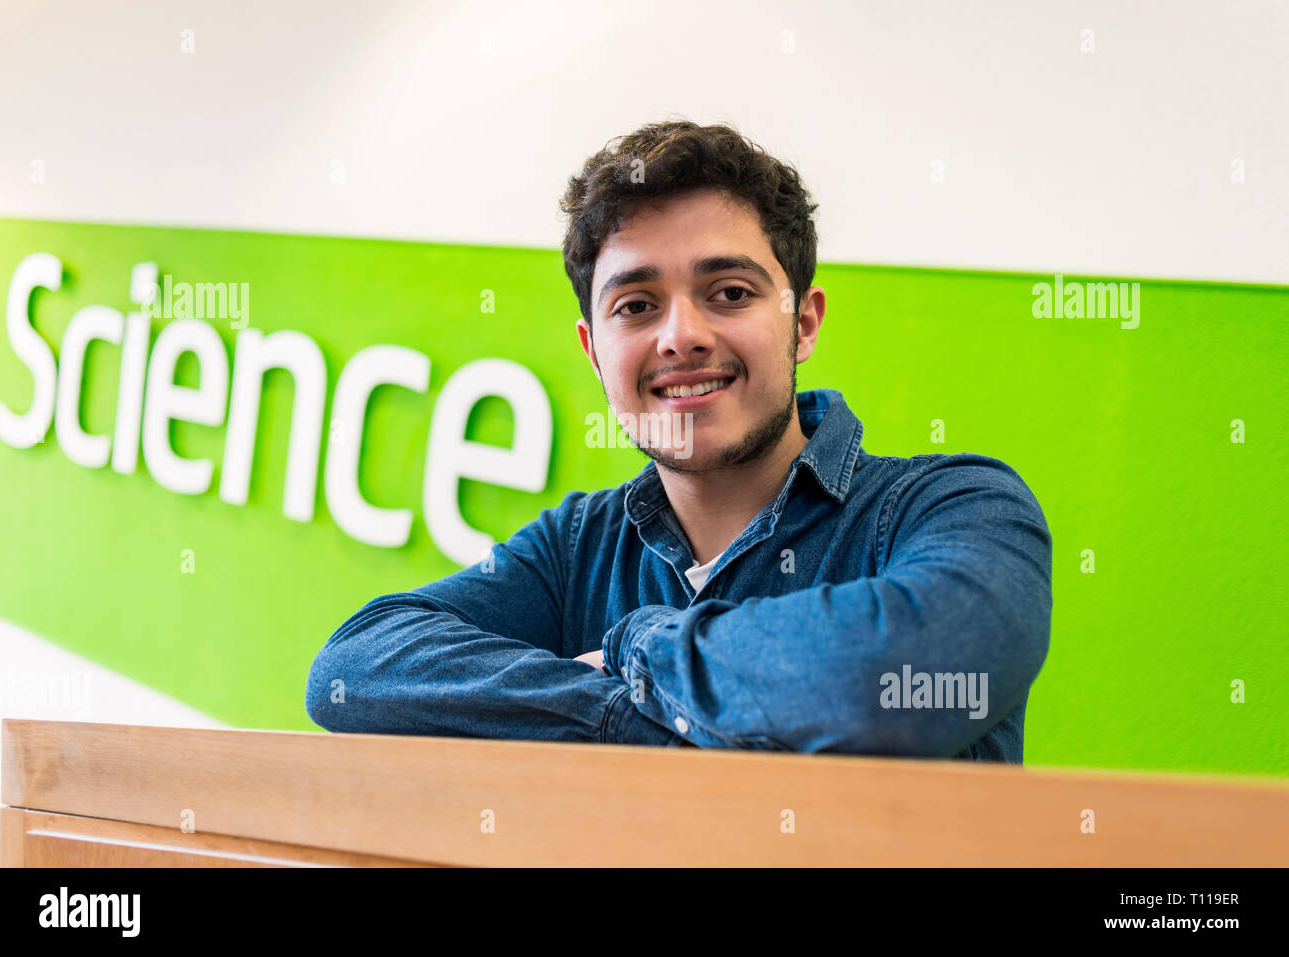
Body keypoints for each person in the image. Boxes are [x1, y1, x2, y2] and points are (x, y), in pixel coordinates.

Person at [306, 119, 1053, 759]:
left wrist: (638, 648)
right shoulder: (576, 548)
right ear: (595, 351)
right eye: (636, 304)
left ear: (804, 320)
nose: (681, 336)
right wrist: (635, 715)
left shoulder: (957, 505)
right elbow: (356, 667)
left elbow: (892, 675)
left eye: (729, 292)